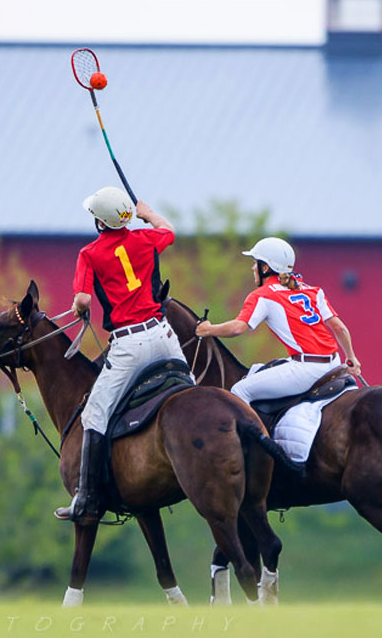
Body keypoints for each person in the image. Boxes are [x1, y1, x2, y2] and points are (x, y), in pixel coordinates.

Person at [56, 187, 190, 524]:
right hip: (164, 336)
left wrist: (77, 306)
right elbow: (169, 231)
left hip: (129, 344)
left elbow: (84, 301)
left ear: (101, 222)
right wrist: (147, 212)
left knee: (94, 415)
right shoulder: (146, 239)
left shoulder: (89, 253)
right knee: (192, 394)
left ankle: (85, 497)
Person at [195, 237, 362, 406]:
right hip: (333, 364)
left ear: (265, 267)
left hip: (306, 369)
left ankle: (256, 433)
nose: (253, 268)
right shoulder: (312, 290)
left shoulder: (263, 295)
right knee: (258, 370)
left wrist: (208, 329)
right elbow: (339, 328)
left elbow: (238, 328)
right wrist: (351, 357)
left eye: (255, 263)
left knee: (239, 390)